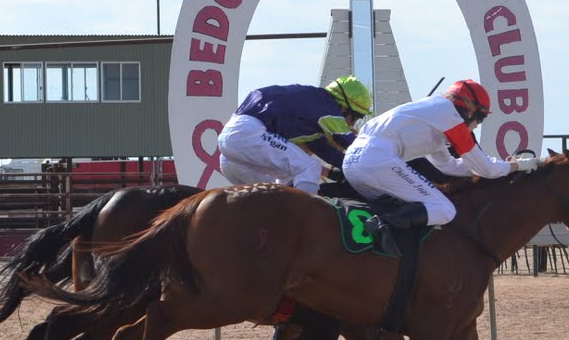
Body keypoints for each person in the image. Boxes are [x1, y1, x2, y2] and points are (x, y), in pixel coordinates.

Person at [342, 79, 539, 228]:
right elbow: (486, 169)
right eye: (480, 120)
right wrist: (519, 165)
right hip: (376, 161)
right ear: (470, 112)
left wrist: (502, 167)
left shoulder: (432, 115)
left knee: (403, 205)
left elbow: (449, 166)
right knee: (444, 210)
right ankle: (380, 225)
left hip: (352, 163)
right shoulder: (451, 118)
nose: (476, 127)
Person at [216, 76, 373, 194]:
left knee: (284, 186)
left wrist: (341, 172)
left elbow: (325, 150)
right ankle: (306, 222)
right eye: (357, 117)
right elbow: (350, 144)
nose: (352, 124)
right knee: (309, 168)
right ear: (344, 106)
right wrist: (374, 170)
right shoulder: (328, 107)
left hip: (229, 156)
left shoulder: (312, 110)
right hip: (247, 135)